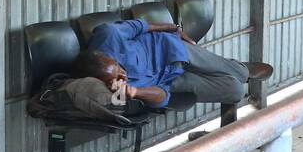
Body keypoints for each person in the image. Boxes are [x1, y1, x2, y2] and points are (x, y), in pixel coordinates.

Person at [72, 18, 270, 109]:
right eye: (116, 77)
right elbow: (162, 96)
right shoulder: (116, 88)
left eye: (119, 68)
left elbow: (143, 26)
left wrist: (173, 27)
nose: (123, 74)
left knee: (239, 74)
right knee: (234, 90)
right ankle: (235, 72)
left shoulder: (110, 34)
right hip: (171, 80)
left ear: (109, 57)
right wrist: (136, 92)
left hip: (170, 48)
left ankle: (242, 70)